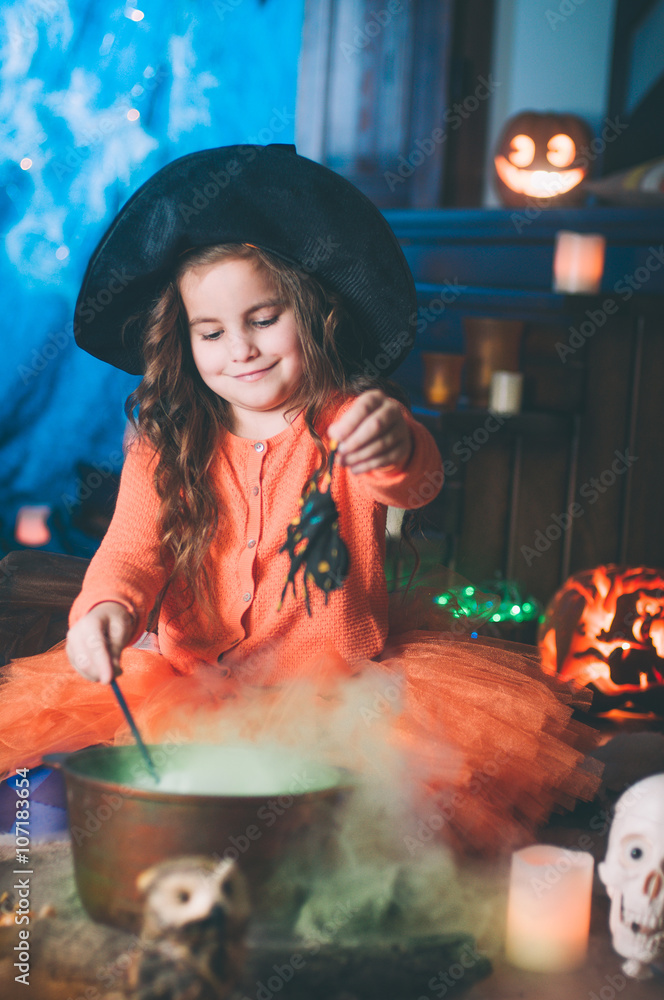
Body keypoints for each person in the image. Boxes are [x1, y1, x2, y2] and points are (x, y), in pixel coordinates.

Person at [0, 145, 600, 853]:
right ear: (184, 342)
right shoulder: (168, 442)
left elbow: (415, 478)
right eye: (212, 332)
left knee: (343, 840)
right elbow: (131, 552)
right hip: (187, 686)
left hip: (333, 699)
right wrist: (105, 610)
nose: (242, 349)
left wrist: (395, 443)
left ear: (309, 312)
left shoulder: (346, 418)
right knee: (122, 820)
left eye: (263, 318)